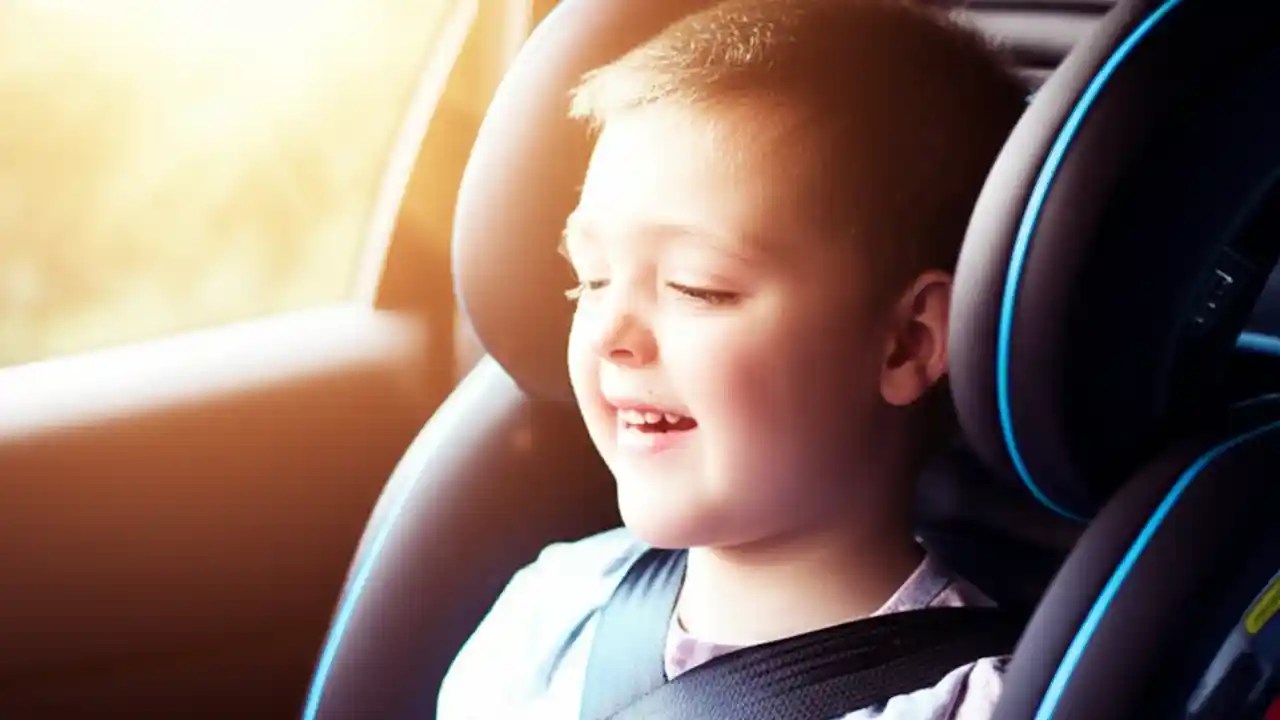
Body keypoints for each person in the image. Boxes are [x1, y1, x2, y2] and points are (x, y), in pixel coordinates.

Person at [438, 0, 1026, 717]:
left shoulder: (978, 703)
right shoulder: (551, 615)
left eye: (697, 287)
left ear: (906, 343)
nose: (611, 332)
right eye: (590, 279)